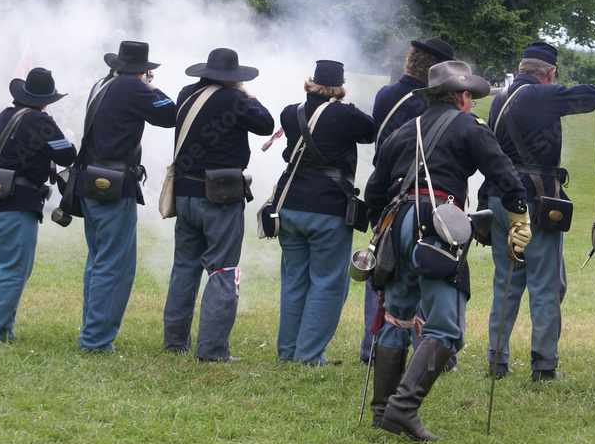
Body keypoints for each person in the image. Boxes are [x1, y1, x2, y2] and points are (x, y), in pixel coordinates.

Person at [364, 60, 530, 442]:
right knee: (446, 326)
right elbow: (502, 171)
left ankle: (382, 408)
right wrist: (520, 214)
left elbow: (375, 191)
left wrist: (384, 230)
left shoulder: (403, 131)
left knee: (396, 317)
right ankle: (402, 409)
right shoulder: (470, 126)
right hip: (436, 225)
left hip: (396, 222)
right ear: (464, 97)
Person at [481, 41, 595, 381]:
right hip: (533, 201)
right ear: (549, 74)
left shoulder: (500, 98)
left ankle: (497, 359)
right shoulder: (540, 94)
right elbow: (592, 95)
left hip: (498, 196)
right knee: (546, 284)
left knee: (506, 281)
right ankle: (545, 365)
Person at [163, 48, 274, 362]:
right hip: (221, 196)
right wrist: (247, 95)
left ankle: (174, 342)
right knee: (223, 270)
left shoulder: (187, 93)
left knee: (184, 266)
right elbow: (265, 123)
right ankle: (212, 350)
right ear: (233, 78)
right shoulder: (236, 100)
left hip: (185, 191)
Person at [76, 41, 177, 352]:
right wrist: (149, 87)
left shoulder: (102, 83)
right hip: (114, 182)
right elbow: (171, 113)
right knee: (114, 265)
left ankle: (92, 332)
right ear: (141, 70)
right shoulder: (132, 88)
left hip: (90, 179)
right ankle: (95, 340)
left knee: (98, 260)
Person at [274, 60, 375, 365]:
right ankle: (309, 355)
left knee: (294, 281)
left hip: (289, 205)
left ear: (312, 82)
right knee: (328, 282)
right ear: (340, 86)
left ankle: (288, 351)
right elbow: (370, 131)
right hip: (328, 208)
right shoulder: (346, 114)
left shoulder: (291, 112)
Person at [361, 36, 454, 364]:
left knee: (384, 268)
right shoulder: (426, 102)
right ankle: (429, 351)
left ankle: (374, 346)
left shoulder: (386, 94)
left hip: (387, 192)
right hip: (421, 195)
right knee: (428, 266)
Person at [0, 68, 77, 343]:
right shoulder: (40, 120)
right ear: (47, 100)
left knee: (13, 269)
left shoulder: (7, 114)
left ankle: (4, 331)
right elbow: (68, 154)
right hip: (14, 203)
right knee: (10, 271)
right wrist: (56, 128)